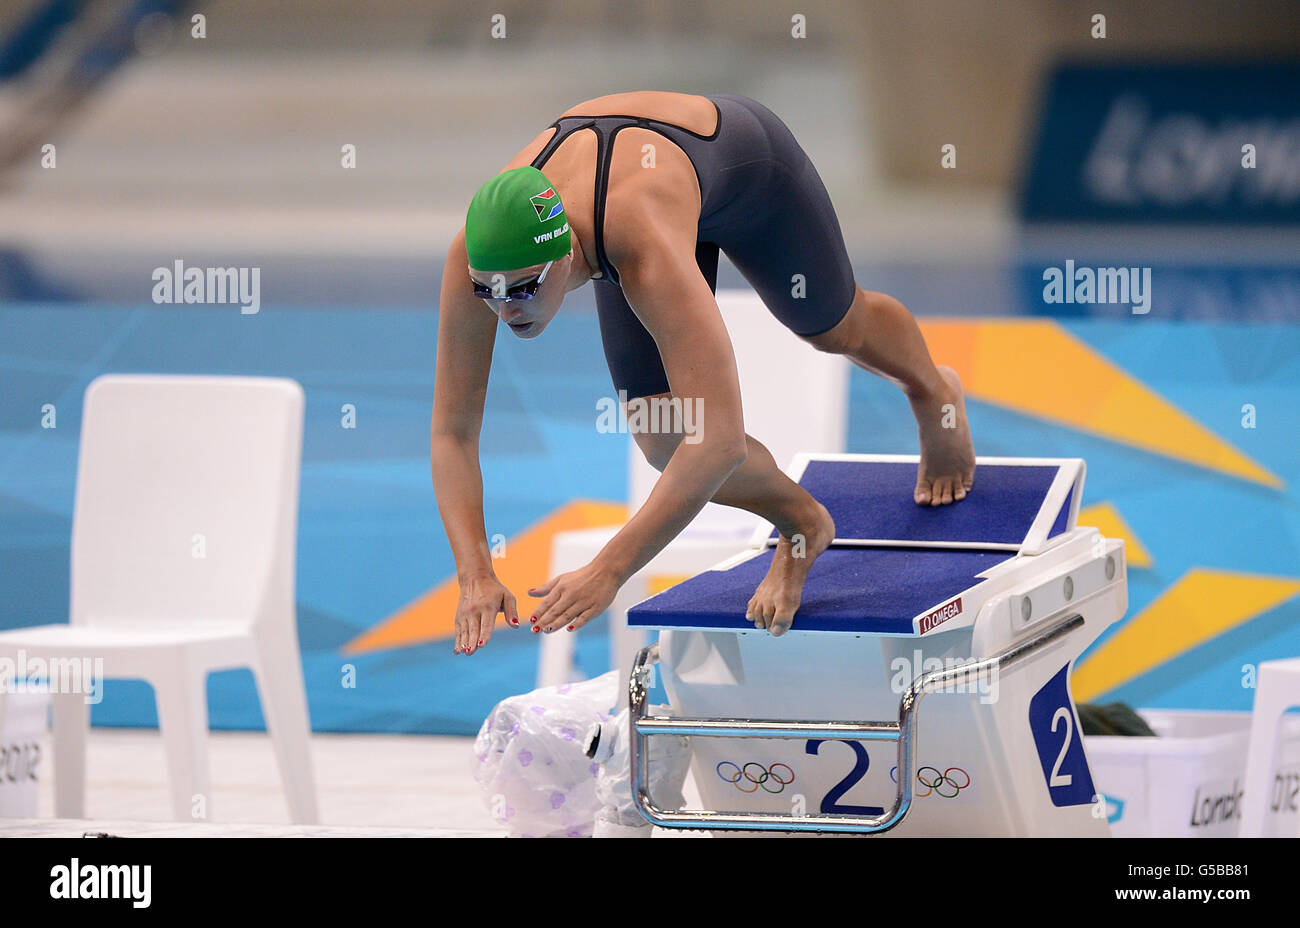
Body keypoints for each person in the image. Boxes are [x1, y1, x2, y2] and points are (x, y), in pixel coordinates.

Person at [432, 91, 974, 656]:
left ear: (568, 253)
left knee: (832, 328)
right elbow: (453, 432)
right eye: (487, 292)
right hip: (644, 186)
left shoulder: (636, 244)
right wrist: (475, 573)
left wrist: (610, 568)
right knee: (663, 433)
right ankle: (802, 524)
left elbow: (718, 441)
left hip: (748, 171)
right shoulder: (477, 258)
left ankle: (933, 390)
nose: (505, 307)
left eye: (522, 288)